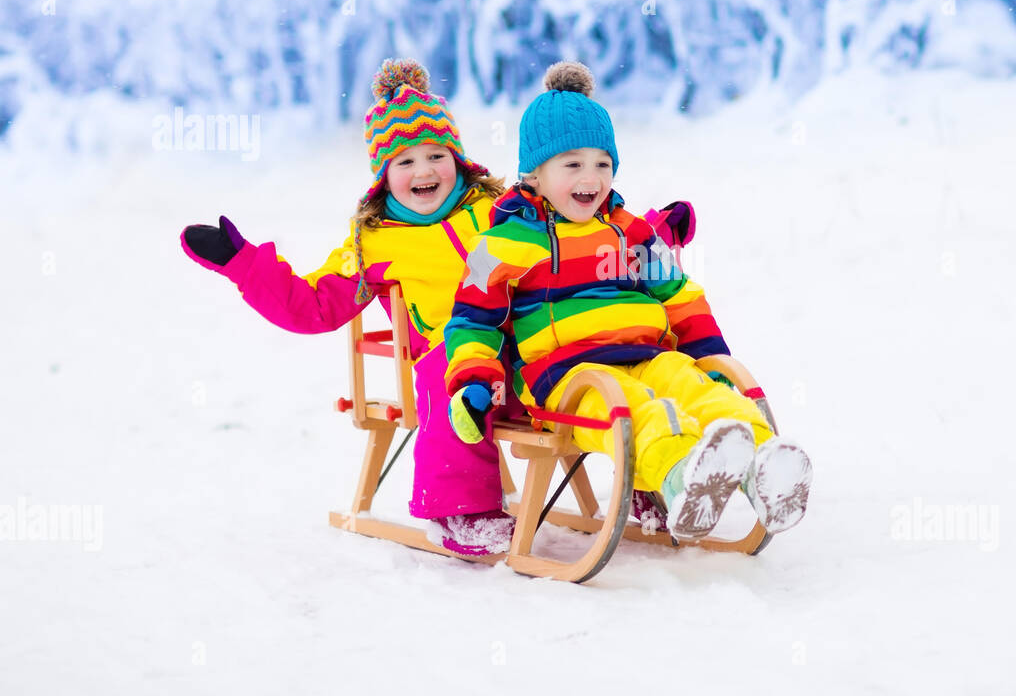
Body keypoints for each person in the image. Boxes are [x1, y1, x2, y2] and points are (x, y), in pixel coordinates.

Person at [444, 61, 812, 541]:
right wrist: (473, 383)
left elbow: (679, 295)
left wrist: (708, 359)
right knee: (636, 408)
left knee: (699, 389)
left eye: (602, 163)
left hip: (647, 354)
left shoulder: (631, 232)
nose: (591, 177)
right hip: (566, 376)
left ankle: (764, 470)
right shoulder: (504, 243)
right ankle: (680, 477)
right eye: (572, 164)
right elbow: (473, 320)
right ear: (533, 175)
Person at [180, 58, 519, 555]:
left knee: (609, 341)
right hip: (455, 364)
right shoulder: (374, 245)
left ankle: (651, 480)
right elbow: (312, 306)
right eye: (405, 162)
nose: (423, 171)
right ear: (384, 177)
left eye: (436, 155)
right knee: (446, 368)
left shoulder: (499, 211)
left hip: (525, 344)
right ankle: (460, 510)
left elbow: (566, 235)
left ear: (459, 160)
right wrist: (243, 264)